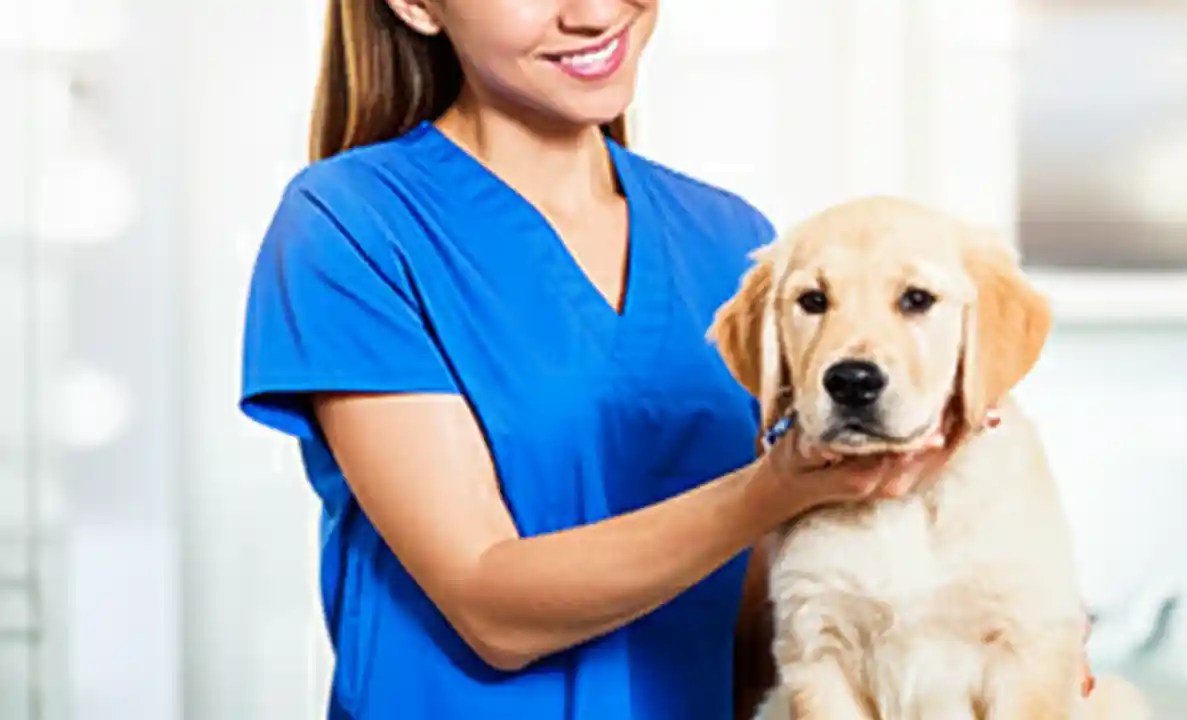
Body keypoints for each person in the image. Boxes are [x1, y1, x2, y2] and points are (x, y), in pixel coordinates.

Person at [237, 2, 1007, 719]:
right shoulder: (352, 226)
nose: (596, 12)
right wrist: (772, 490)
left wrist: (987, 632)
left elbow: (755, 631)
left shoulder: (731, 242)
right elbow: (488, 605)